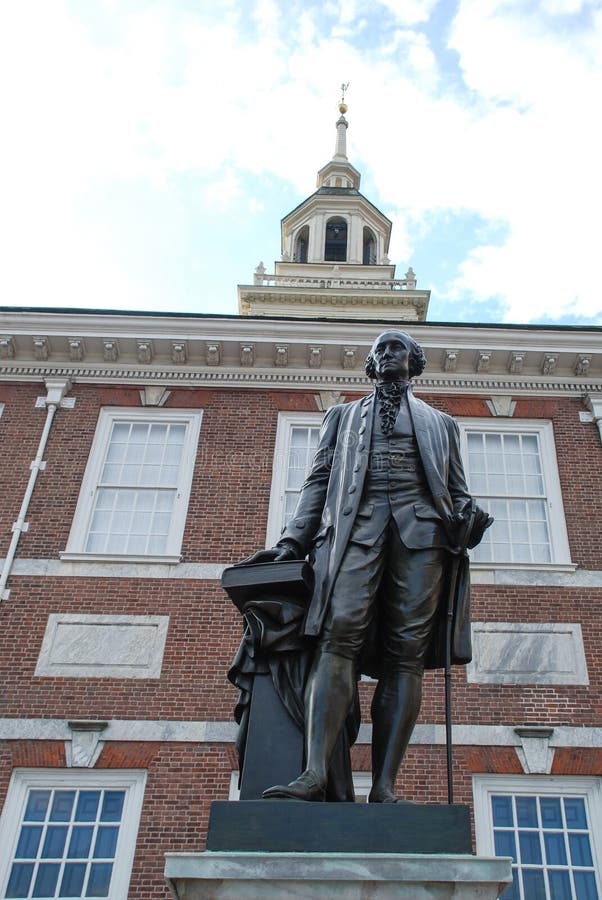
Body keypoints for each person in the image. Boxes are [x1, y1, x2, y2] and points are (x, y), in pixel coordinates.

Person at [245, 330, 491, 802]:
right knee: (337, 638)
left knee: (407, 656)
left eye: (396, 346)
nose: (385, 353)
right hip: (354, 533)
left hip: (422, 540)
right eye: (378, 349)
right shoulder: (341, 417)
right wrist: (293, 541)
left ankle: (384, 786)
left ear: (414, 362)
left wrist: (469, 520)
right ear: (371, 366)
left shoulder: (442, 424)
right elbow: (318, 480)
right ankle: (314, 773)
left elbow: (457, 494)